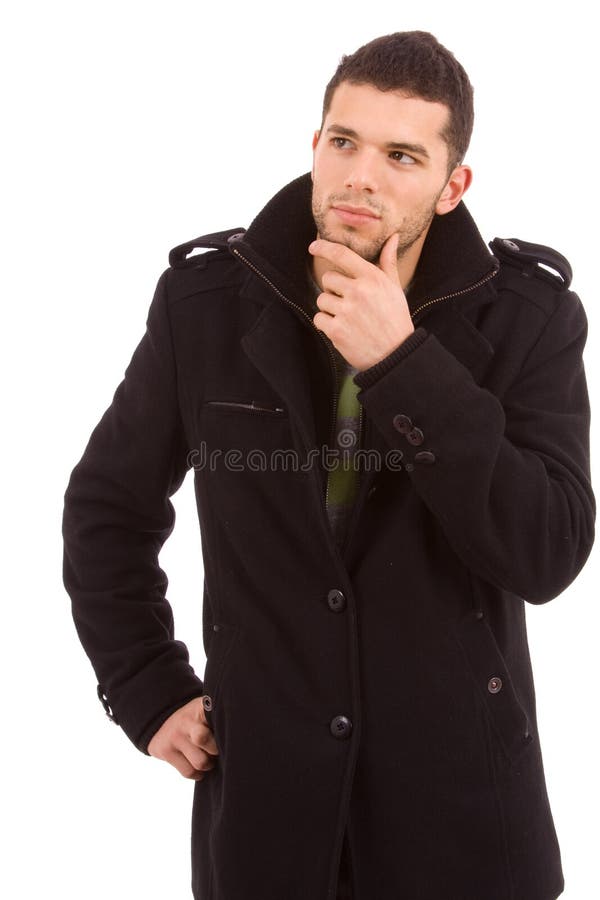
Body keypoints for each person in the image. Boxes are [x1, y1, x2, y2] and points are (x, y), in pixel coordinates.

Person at [62, 30, 595, 900]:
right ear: (315, 146)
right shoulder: (203, 306)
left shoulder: (531, 319)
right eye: (344, 142)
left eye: (401, 155)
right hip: (268, 823)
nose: (362, 176)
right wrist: (145, 687)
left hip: (464, 827)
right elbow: (105, 509)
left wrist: (404, 364)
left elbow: (549, 550)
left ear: (452, 186)